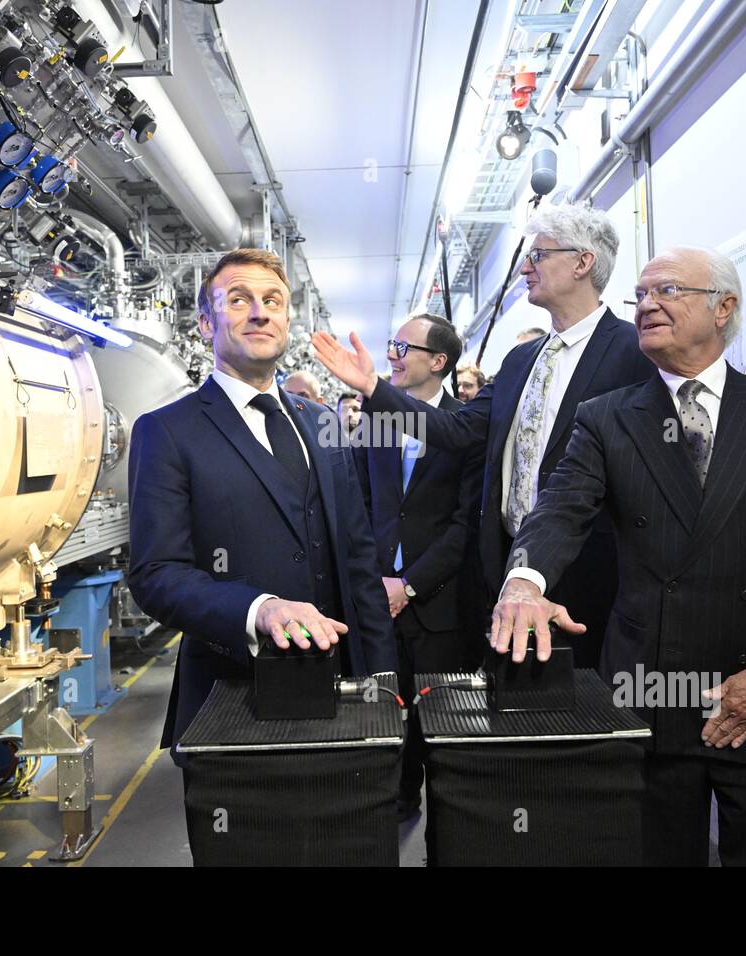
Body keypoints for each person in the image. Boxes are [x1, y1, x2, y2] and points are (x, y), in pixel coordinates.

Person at [490, 247, 746, 866]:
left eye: (667, 290)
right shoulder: (606, 418)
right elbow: (559, 509)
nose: (647, 305)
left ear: (724, 308)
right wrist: (526, 580)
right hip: (649, 696)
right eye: (639, 295)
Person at [314, 203, 654, 667]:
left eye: (538, 255)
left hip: (590, 574)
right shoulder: (521, 361)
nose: (525, 267)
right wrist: (373, 389)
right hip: (503, 569)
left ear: (582, 263)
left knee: (583, 713)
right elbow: (454, 429)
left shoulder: (633, 353)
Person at [127, 249, 396, 759]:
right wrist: (259, 609)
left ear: (287, 320)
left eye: (272, 300)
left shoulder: (322, 422)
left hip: (345, 698)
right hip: (234, 698)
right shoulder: (167, 431)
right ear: (206, 323)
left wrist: (384, 683)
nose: (259, 311)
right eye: (239, 299)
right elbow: (157, 573)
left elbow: (360, 564)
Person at [355, 313, 484, 819]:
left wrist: (409, 586)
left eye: (402, 347)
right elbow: (362, 506)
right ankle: (399, 798)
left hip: (440, 603)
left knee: (443, 725)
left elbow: (463, 527)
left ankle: (449, 828)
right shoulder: (375, 419)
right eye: (391, 344)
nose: (392, 355)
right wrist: (376, 580)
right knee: (386, 713)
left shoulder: (468, 427)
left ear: (438, 361)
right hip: (378, 599)